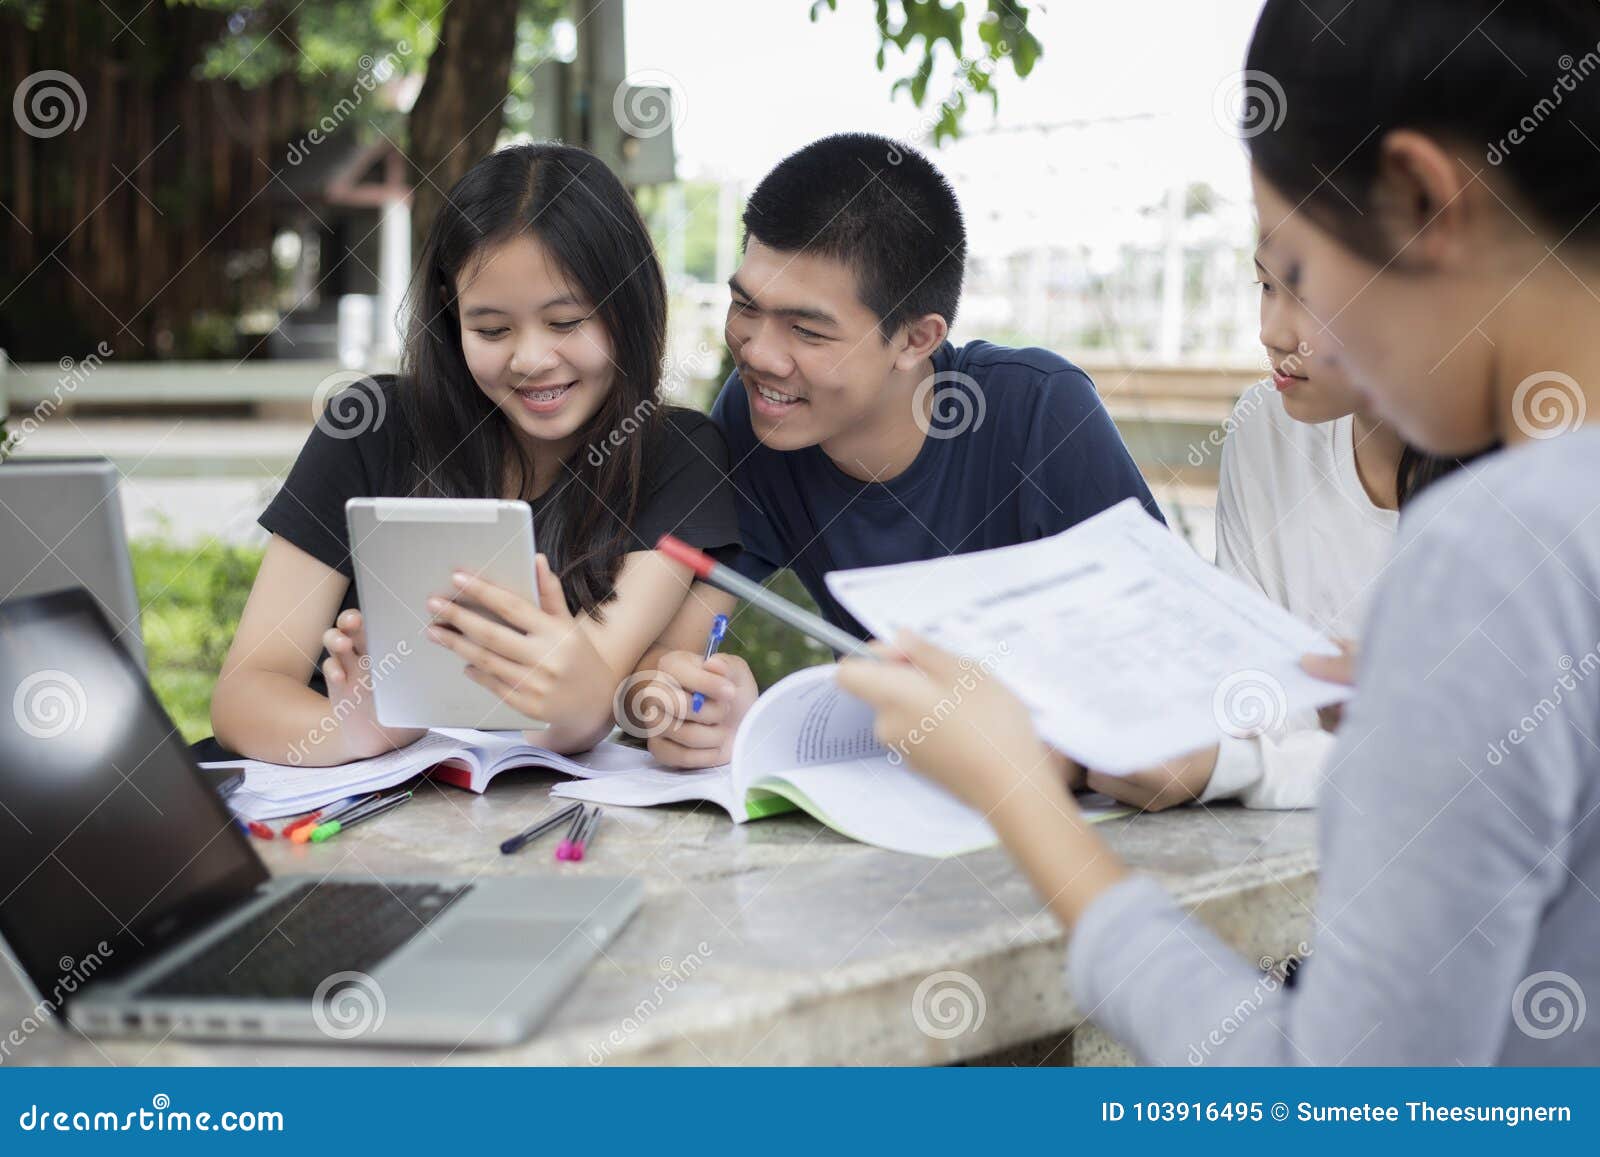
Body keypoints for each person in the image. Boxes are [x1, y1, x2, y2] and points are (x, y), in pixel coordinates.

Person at [839, 0, 1600, 1064]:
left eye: (1297, 269)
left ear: (1426, 203)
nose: (1276, 325)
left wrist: (1017, 794)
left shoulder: (1496, 548)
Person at [640, 132, 1161, 769]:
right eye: (746, 307)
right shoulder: (761, 418)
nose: (757, 354)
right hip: (888, 803)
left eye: (806, 330)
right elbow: (671, 653)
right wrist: (696, 705)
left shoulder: (1039, 414)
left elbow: (1172, 669)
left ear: (915, 338)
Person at [209, 143, 738, 764]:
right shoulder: (371, 429)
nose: (531, 359)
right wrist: (354, 731)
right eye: (491, 330)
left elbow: (584, 713)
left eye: (566, 322)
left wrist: (605, 688)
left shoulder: (676, 457)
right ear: (448, 314)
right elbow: (244, 694)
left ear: (629, 306)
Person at [1089, 251, 1473, 812]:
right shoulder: (1268, 427)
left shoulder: (1534, 472)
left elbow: (1495, 754)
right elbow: (1254, 687)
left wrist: (1239, 769)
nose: (1270, 332)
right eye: (1265, 285)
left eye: (1310, 294)